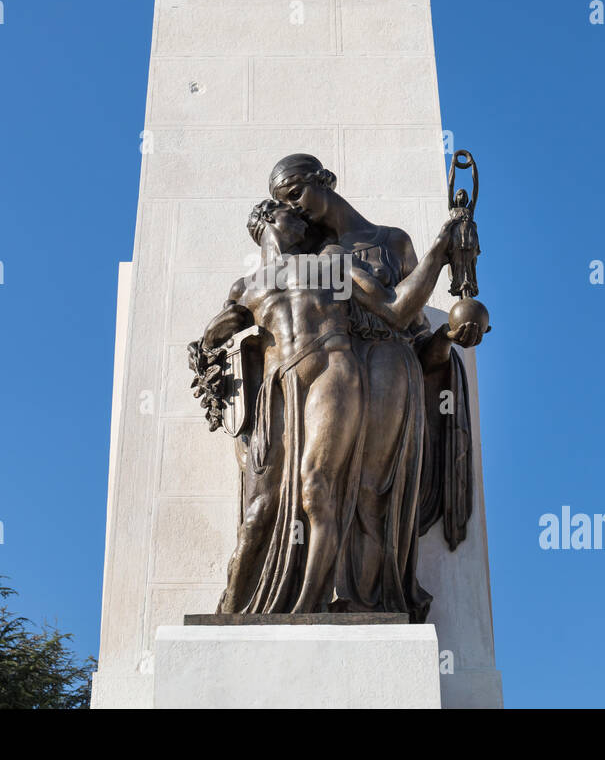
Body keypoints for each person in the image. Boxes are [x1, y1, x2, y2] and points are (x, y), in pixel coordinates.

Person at [196, 198, 457, 616]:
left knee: (317, 488)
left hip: (334, 370)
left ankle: (310, 601)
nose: (304, 221)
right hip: (282, 386)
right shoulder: (246, 287)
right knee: (260, 510)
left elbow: (395, 310)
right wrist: (209, 350)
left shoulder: (328, 267)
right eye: (290, 214)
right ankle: (230, 608)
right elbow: (214, 337)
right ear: (269, 220)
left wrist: (438, 254)